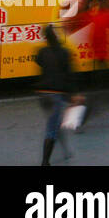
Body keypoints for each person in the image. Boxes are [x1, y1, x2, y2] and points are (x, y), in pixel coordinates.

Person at [35, 25, 76, 166]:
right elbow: (69, 75)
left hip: (42, 95)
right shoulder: (65, 53)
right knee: (52, 127)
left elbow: (39, 62)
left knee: (55, 122)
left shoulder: (42, 52)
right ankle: (45, 161)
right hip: (56, 94)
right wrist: (73, 94)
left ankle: (66, 151)